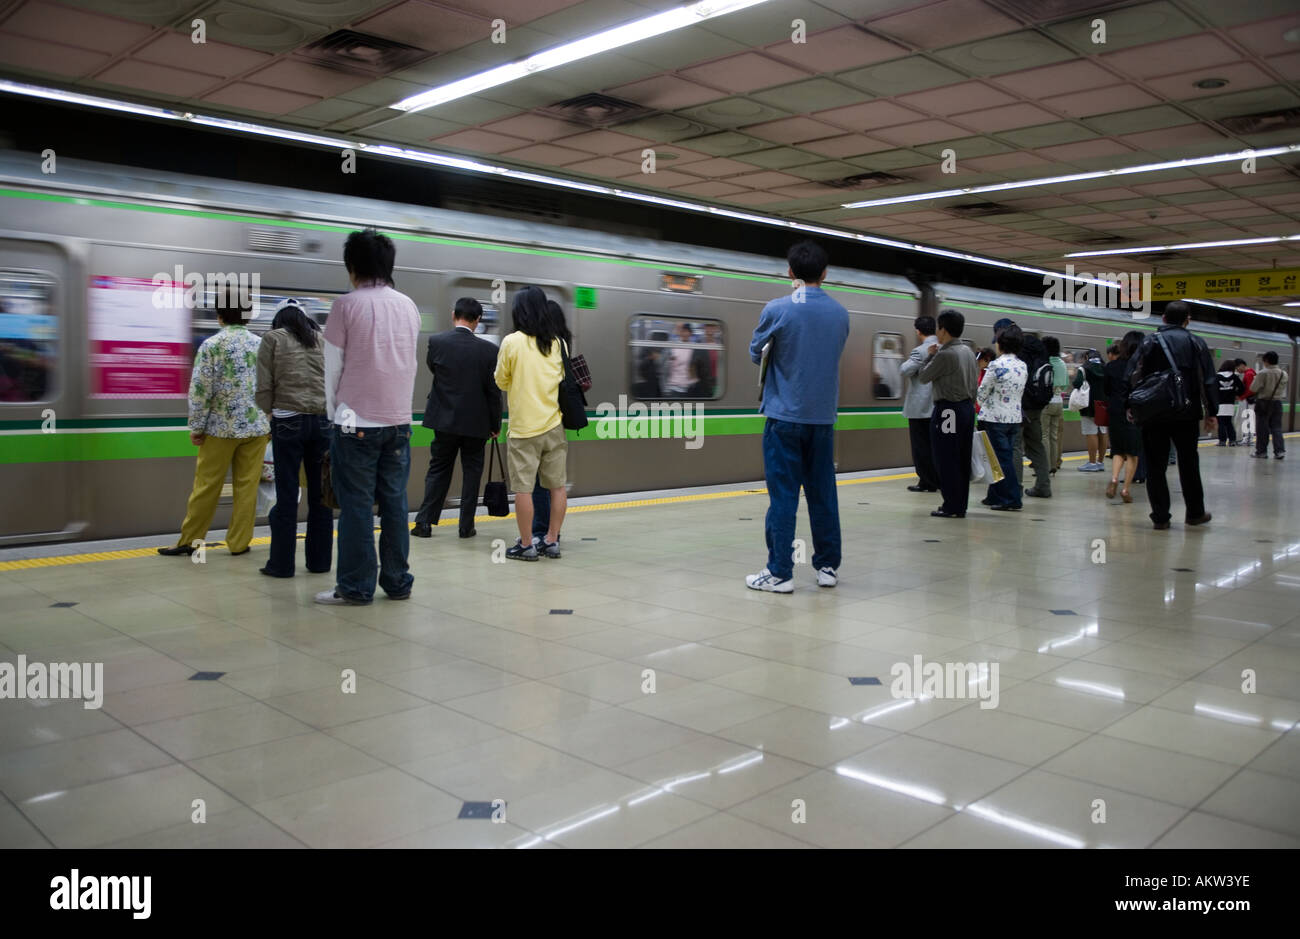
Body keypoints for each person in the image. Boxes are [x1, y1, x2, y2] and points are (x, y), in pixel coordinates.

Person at [315, 229, 421, 605]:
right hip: (399, 423)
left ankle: (356, 587)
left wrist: (334, 416)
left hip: (354, 423)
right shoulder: (409, 306)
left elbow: (332, 370)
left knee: (357, 505)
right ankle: (397, 582)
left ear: (353, 266)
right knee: (394, 502)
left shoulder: (345, 306)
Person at [744, 240, 849, 592]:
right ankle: (827, 568)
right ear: (825, 273)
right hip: (822, 419)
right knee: (823, 493)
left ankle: (780, 572)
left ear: (790, 273)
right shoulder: (840, 313)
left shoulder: (778, 309)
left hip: (783, 418)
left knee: (784, 496)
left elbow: (755, 354)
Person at [159, 293, 270, 557]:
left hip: (220, 429)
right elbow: (269, 386)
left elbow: (200, 390)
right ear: (248, 315)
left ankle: (190, 540)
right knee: (247, 487)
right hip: (256, 429)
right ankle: (239, 543)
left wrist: (196, 427)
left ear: (219, 315)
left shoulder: (211, 345)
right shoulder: (261, 344)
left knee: (207, 485)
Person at [412, 297, 502, 540]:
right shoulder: (489, 351)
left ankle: (424, 523)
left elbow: (435, 369)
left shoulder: (437, 342)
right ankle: (466, 526)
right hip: (476, 423)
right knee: (472, 473)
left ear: (454, 315)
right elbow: (493, 391)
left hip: (444, 420)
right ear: (478, 320)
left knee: (439, 469)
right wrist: (495, 424)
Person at [254, 298, 332, 576]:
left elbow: (263, 386)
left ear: (279, 321)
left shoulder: (272, 338)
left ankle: (282, 564)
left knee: (287, 496)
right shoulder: (323, 340)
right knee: (321, 496)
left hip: (287, 422)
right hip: (322, 423)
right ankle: (320, 562)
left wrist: (269, 413)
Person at [1125, 300, 1217, 530]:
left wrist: (1131, 404)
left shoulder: (1149, 341)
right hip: (1186, 412)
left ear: (1163, 318)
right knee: (1188, 463)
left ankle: (1160, 517)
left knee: (1155, 466)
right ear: (1188, 320)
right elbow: (1207, 378)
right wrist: (1211, 411)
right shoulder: (1196, 342)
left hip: (1154, 412)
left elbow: (1132, 374)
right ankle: (1195, 513)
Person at [495, 285, 567, 560]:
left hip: (524, 429)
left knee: (523, 489)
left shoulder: (512, 342)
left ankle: (527, 544)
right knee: (557, 486)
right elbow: (560, 378)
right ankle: (551, 540)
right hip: (553, 426)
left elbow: (500, 380)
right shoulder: (558, 343)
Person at [918, 309, 979, 519]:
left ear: (943, 330)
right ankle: (959, 504)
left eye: (938, 328)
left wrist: (929, 357)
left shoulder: (945, 354)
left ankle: (951, 505)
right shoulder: (968, 352)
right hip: (966, 409)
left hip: (948, 411)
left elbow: (924, 377)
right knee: (961, 458)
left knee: (945, 457)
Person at [529, 299, 572, 548]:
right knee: (555, 482)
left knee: (537, 483)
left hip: (539, 422)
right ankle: (553, 535)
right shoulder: (564, 344)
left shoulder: (545, 347)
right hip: (558, 421)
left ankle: (540, 531)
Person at [976, 324, 1027, 511]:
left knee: (1001, 460)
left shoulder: (996, 365)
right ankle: (994, 496)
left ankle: (1012, 499)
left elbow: (982, 393)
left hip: (994, 419)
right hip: (1014, 418)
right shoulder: (1022, 365)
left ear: (1001, 343)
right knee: (999, 459)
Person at [898, 315, 939, 493]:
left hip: (920, 409)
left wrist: (922, 359)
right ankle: (937, 479)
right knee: (935, 446)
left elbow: (904, 370)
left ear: (918, 331)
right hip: (938, 407)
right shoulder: (944, 347)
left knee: (921, 447)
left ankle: (926, 482)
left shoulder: (920, 351)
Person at [1103, 331, 1143, 503]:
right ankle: (1126, 489)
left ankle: (1113, 478)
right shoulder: (1141, 368)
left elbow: (1106, 390)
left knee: (1118, 450)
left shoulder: (1111, 366)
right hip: (1134, 414)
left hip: (1115, 412)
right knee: (1132, 454)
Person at [1072, 348, 1107, 471]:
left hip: (1089, 406)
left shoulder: (1084, 369)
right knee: (1102, 432)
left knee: (1091, 433)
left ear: (1087, 357)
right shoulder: (1105, 368)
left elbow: (1076, 383)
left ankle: (1092, 463)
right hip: (1103, 405)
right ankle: (1100, 462)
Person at [1250, 351, 1288, 460]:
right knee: (1277, 428)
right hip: (1277, 403)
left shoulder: (1263, 373)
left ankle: (1261, 452)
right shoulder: (1283, 373)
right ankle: (1279, 452)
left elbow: (1253, 388)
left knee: (1262, 429)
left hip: (1263, 403)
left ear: (1266, 361)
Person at [1043, 336, 1067, 474]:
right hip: (1059, 403)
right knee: (1054, 436)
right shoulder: (1062, 363)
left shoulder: (1046, 363)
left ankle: (1045, 465)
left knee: (1044, 436)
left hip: (1047, 403)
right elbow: (1064, 385)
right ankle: (1054, 464)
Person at [1214, 360, 1245, 447]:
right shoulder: (1234, 377)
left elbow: (1213, 389)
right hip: (1230, 403)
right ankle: (1232, 441)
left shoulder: (1217, 376)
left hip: (1219, 403)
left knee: (1221, 423)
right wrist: (1236, 394)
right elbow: (1242, 388)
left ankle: (1222, 441)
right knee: (1228, 422)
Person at [665, 322, 694, 397]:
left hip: (689, 387)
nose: (685, 333)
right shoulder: (674, 347)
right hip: (675, 387)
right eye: (683, 331)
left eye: (687, 331)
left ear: (690, 333)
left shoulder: (694, 348)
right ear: (680, 333)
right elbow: (667, 367)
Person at [1235, 358, 1256, 447]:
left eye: (1237, 368)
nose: (1237, 370)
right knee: (1248, 418)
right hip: (1249, 400)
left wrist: (1241, 397)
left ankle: (1247, 439)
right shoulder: (1251, 373)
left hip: (1248, 400)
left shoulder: (1248, 374)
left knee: (1247, 418)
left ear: (1242, 365)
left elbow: (1250, 390)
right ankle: (1247, 439)